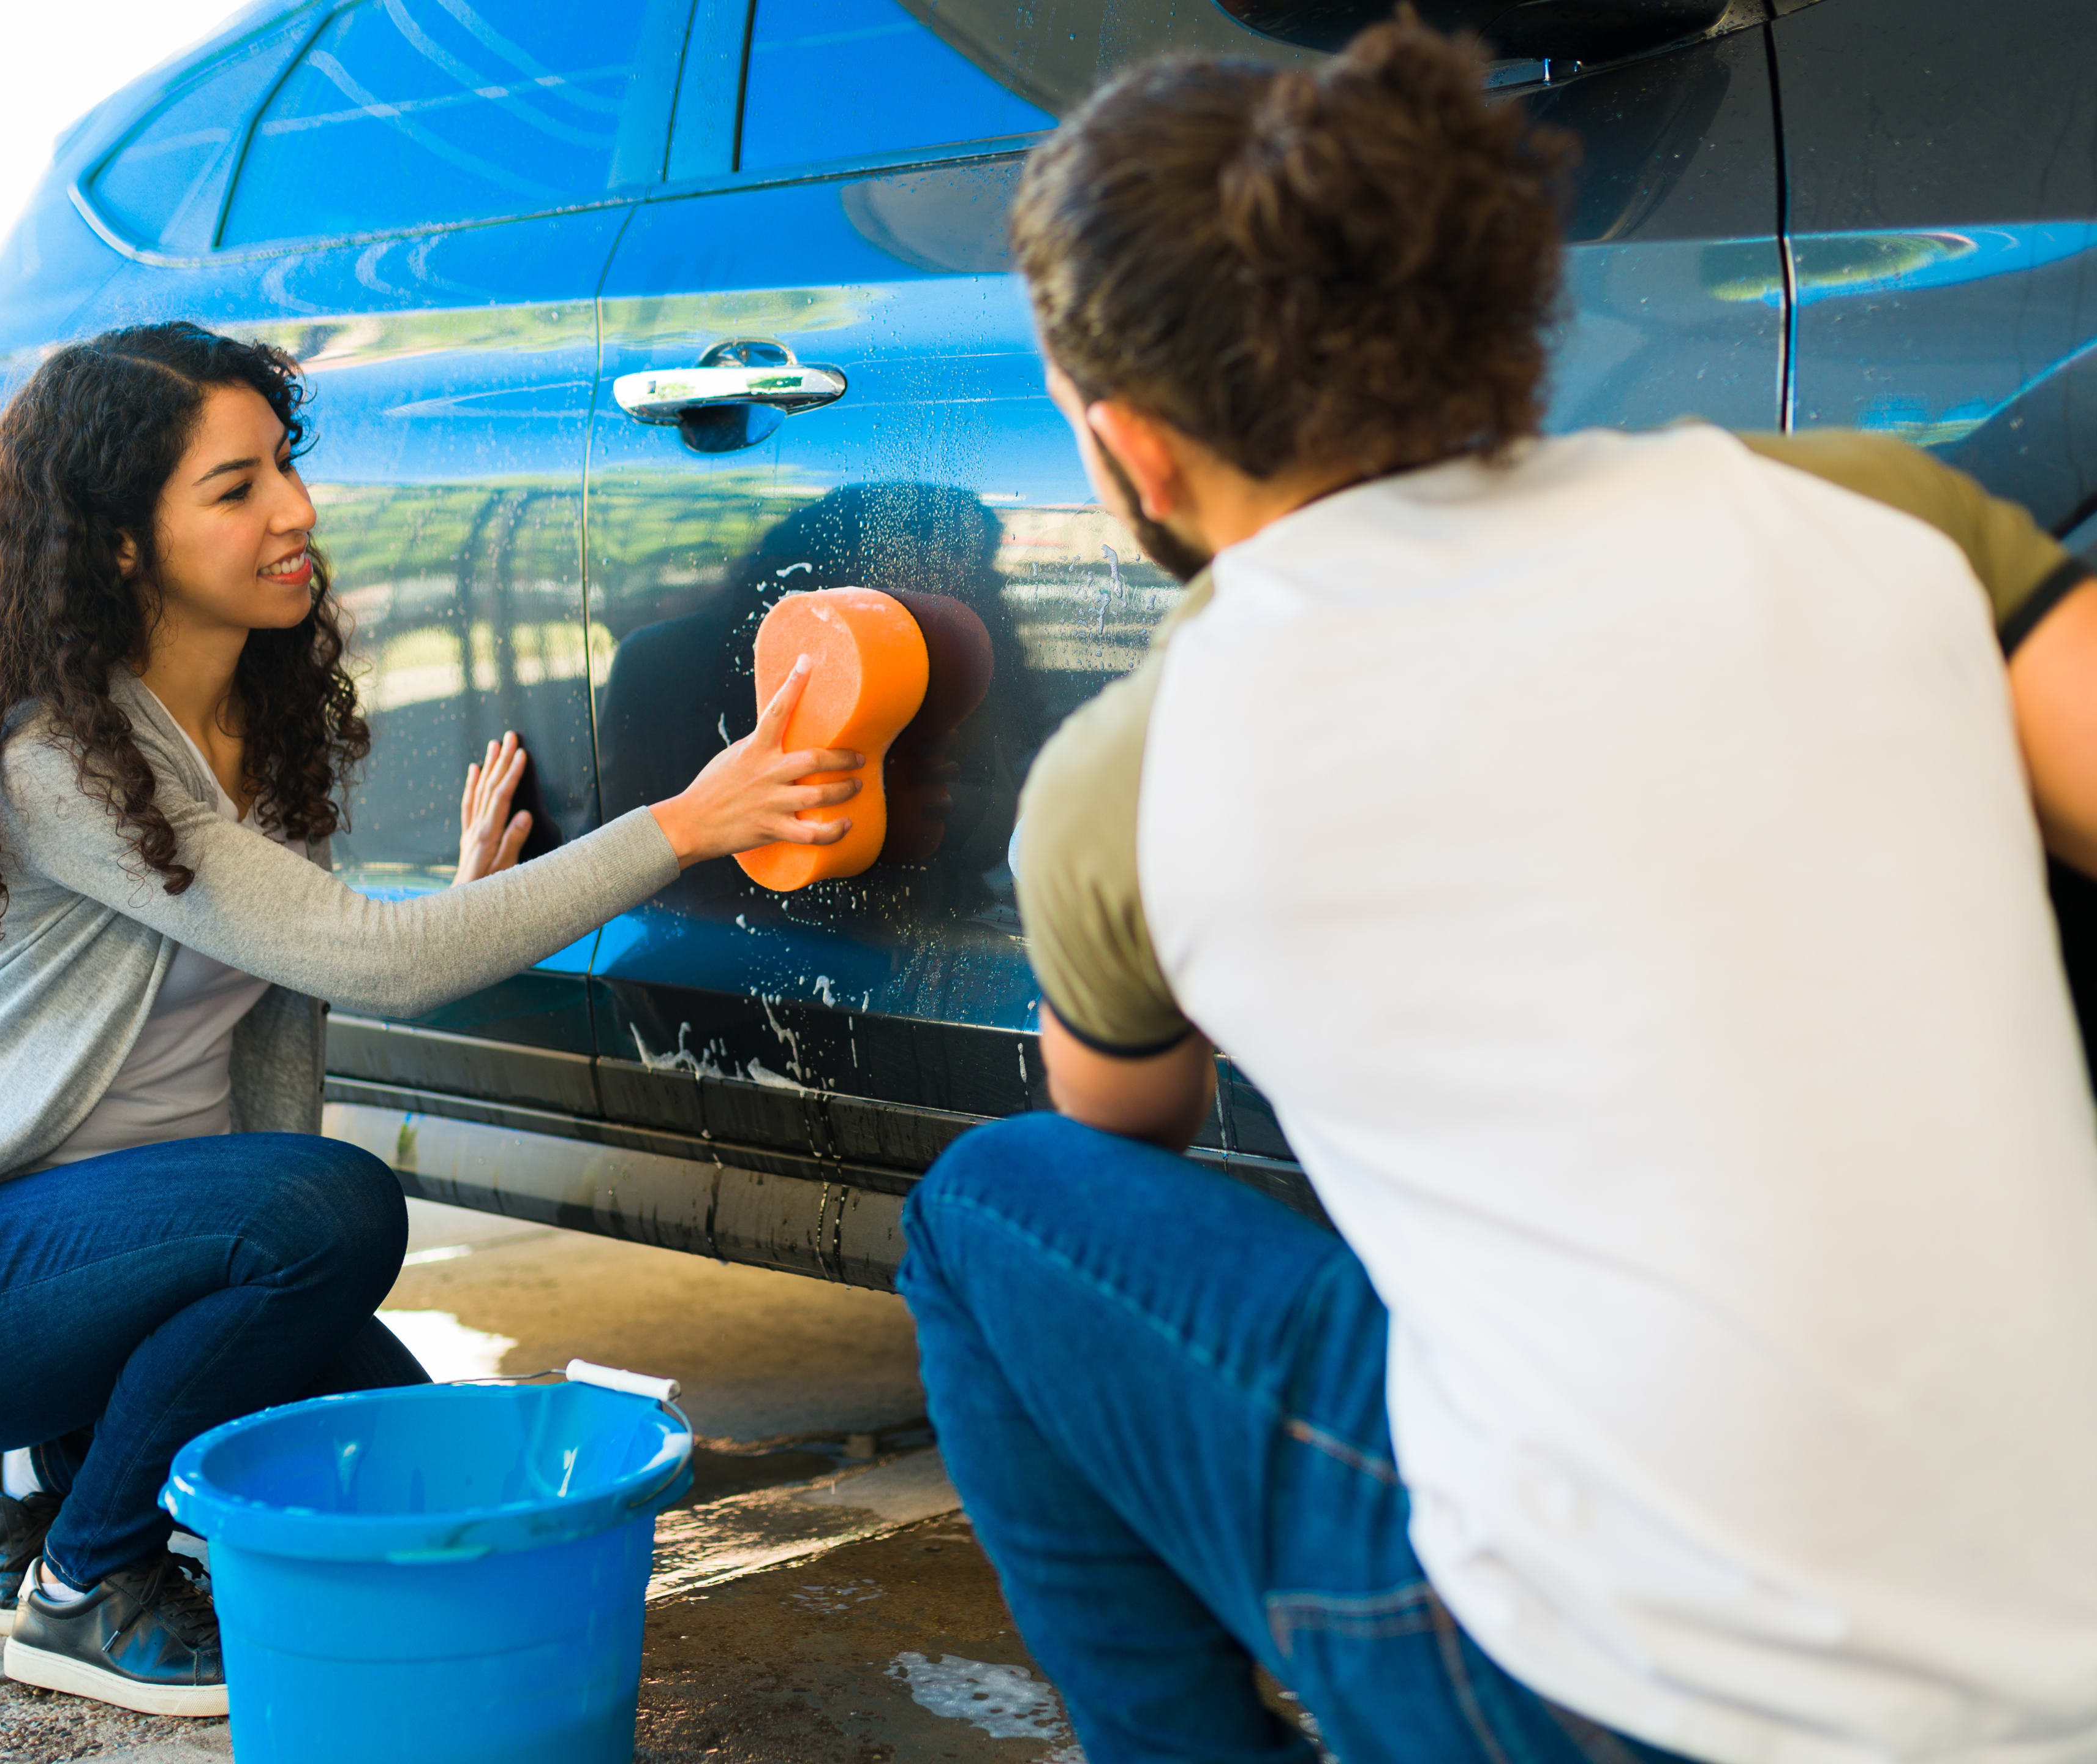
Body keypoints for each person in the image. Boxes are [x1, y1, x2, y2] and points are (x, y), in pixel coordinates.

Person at [897, 23, 2097, 1764]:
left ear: (1135, 452)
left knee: (990, 1208)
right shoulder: (1876, 515)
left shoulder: (1133, 777)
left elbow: (1119, 1127)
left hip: (1606, 1697)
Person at [0, 322, 864, 1717]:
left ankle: (56, 1475)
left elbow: (304, 954)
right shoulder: (60, 758)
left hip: (119, 1253)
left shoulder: (253, 721)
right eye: (235, 486)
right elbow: (374, 964)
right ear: (123, 542)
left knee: (391, 1446)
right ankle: (87, 1578)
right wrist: (688, 822)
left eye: (286, 466)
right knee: (329, 1210)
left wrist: (460, 905)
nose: (295, 509)